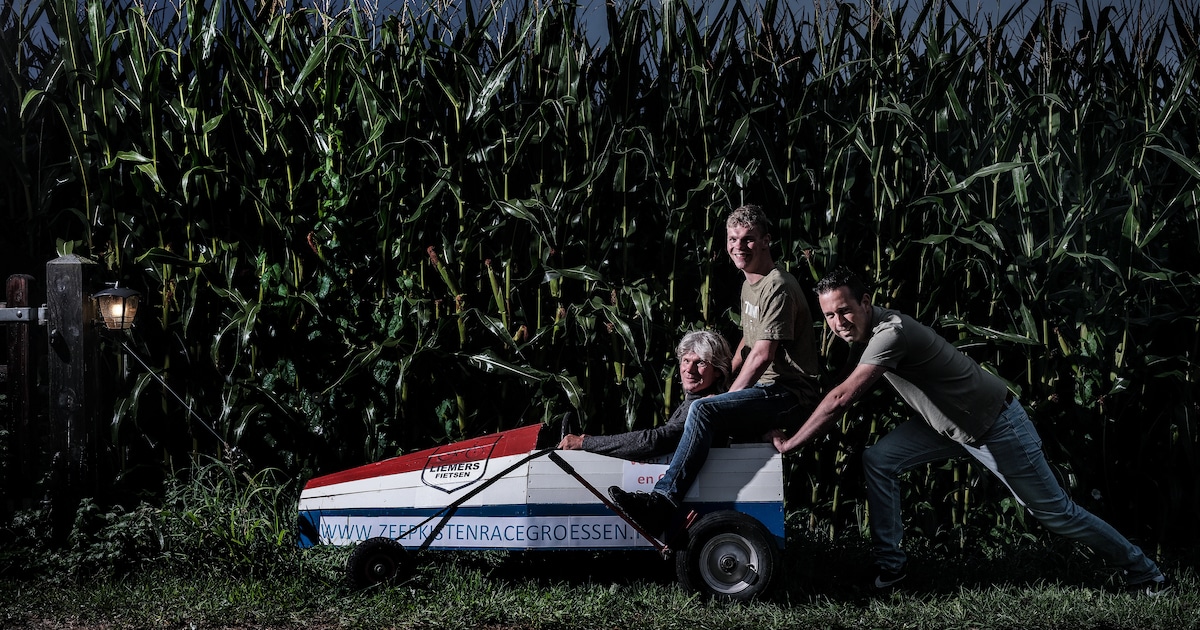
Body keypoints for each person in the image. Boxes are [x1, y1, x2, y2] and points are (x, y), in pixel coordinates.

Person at [772, 266, 1168, 594]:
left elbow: (842, 398)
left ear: (866, 303)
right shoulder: (869, 333)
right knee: (879, 459)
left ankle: (1146, 571)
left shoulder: (891, 333)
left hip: (995, 425)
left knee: (1056, 513)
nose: (838, 323)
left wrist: (790, 444)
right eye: (829, 316)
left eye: (845, 311)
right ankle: (892, 570)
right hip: (947, 427)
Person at [609, 204, 822, 535]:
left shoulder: (777, 285)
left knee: (706, 410)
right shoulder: (750, 283)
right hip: (766, 391)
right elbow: (748, 344)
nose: (739, 246)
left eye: (749, 239)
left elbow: (764, 354)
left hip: (791, 394)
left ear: (766, 241)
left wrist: (727, 398)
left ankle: (662, 504)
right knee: (702, 404)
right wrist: (726, 374)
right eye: (733, 239)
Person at [557, 330, 733, 459]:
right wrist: (595, 443)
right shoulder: (696, 397)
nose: (689, 369)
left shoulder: (705, 405)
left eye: (700, 363)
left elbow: (655, 441)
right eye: (686, 361)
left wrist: (584, 444)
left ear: (718, 371)